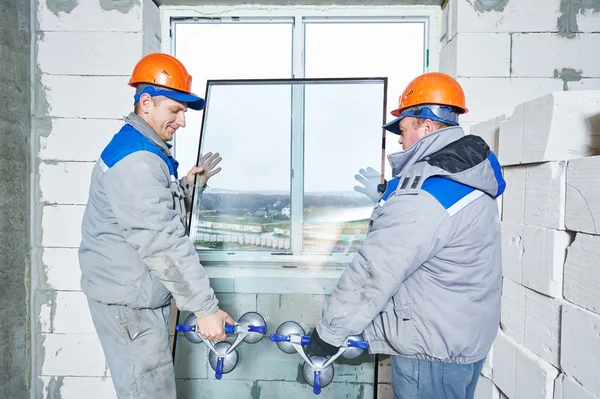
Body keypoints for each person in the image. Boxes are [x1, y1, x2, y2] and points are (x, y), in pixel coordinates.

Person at [306, 72, 505, 399]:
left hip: (430, 351)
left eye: (403, 129)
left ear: (426, 126)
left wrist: (328, 334)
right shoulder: (465, 179)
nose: (400, 140)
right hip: (460, 337)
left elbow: (375, 271)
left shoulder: (425, 197)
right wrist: (391, 192)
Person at [78, 53, 234, 399]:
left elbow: (150, 212)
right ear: (146, 103)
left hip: (131, 298)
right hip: (130, 308)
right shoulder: (138, 161)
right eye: (175, 110)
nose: (181, 121)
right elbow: (161, 242)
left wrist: (188, 188)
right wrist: (205, 309)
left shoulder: (142, 150)